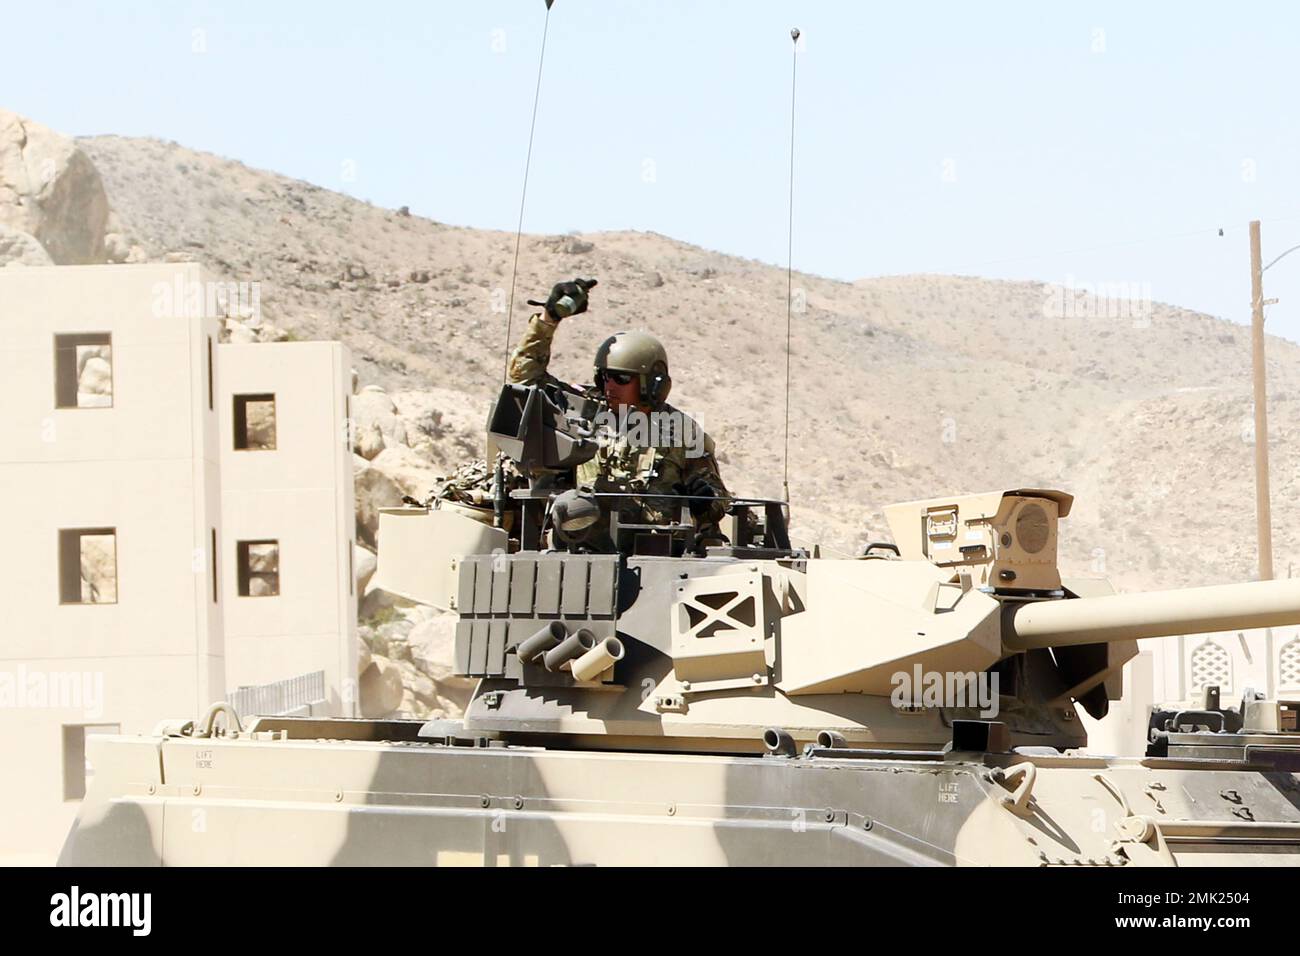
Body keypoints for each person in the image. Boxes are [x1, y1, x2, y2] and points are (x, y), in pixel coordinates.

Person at [507, 278, 729, 545]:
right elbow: (524, 379)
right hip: (581, 552)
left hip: (653, 556)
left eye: (622, 378)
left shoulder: (681, 432)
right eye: (605, 377)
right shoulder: (586, 412)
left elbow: (717, 503)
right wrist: (548, 319)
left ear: (652, 382)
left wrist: (705, 499)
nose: (609, 386)